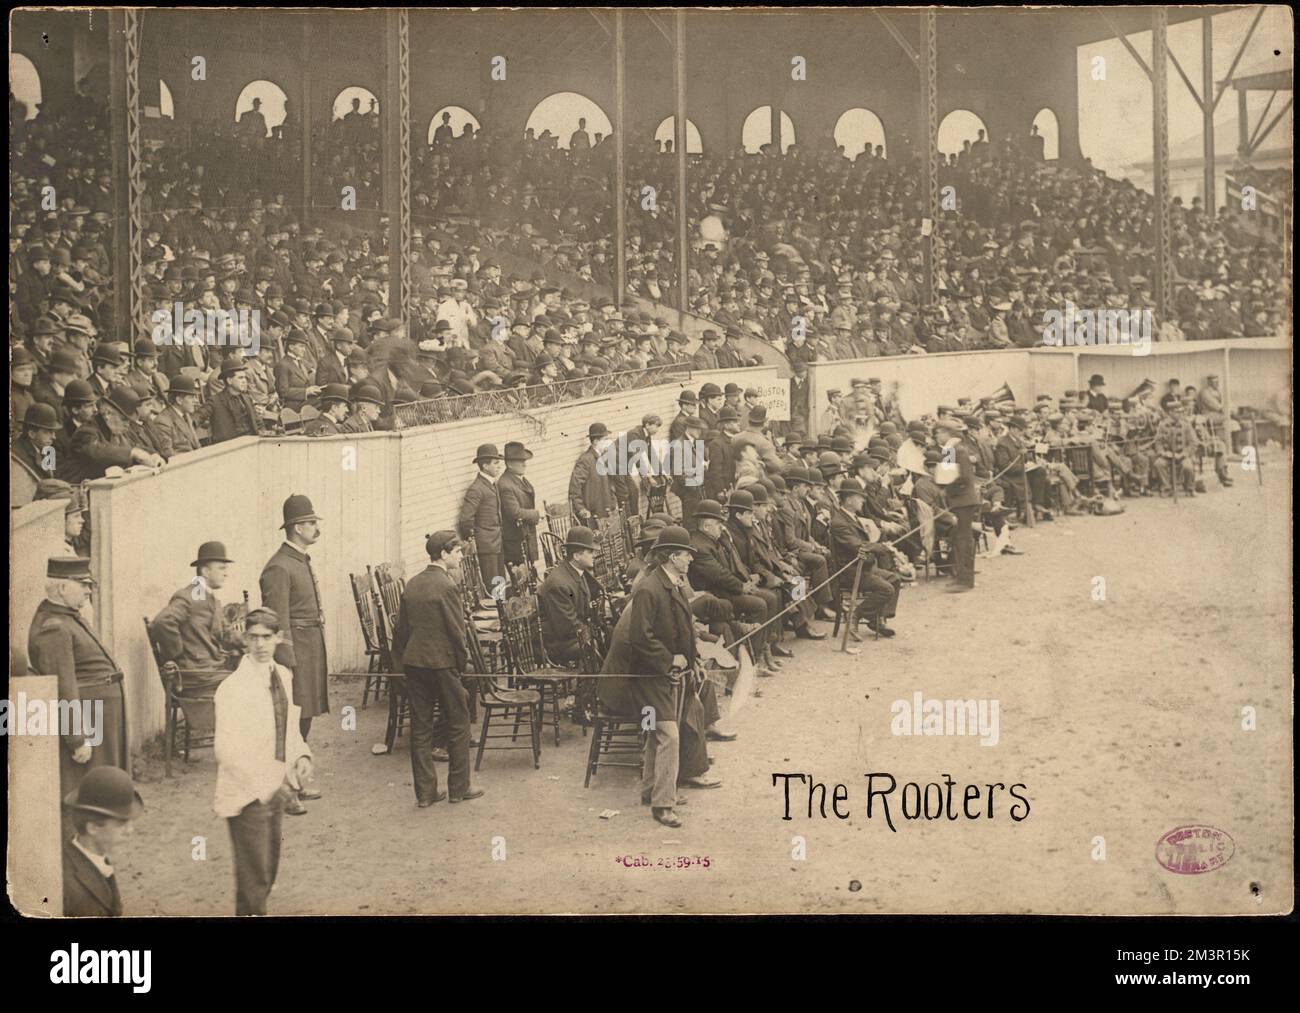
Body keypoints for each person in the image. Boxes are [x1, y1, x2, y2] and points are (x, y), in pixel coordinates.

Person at [214, 608, 312, 915]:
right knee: (253, 880)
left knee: (267, 872)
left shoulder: (282, 675)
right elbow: (226, 751)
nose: (260, 644)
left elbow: (288, 727)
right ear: (244, 640)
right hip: (247, 795)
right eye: (253, 637)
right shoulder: (232, 688)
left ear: (279, 638)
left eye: (267, 637)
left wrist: (302, 755)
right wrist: (265, 786)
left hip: (275, 790)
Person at [600, 526, 699, 829]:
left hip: (663, 673)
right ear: (672, 557)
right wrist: (670, 660)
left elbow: (683, 630)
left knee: (658, 733)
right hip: (644, 676)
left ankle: (652, 791)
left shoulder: (673, 584)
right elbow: (641, 639)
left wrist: (691, 661)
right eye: (686, 555)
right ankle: (663, 805)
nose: (690, 560)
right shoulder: (648, 589)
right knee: (669, 734)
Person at [391, 531, 484, 806]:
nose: (461, 556)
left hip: (415, 663)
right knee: (458, 723)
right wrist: (461, 664)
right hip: (443, 664)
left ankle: (425, 794)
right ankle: (458, 788)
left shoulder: (412, 584)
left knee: (421, 729)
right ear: (443, 554)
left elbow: (402, 631)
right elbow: (457, 632)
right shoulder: (447, 586)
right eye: (457, 552)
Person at [28, 557, 129, 800]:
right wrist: (76, 738)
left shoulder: (68, 617)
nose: (88, 589)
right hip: (89, 719)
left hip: (100, 717)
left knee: (106, 789)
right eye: (82, 583)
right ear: (62, 588)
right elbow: (63, 685)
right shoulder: (55, 626)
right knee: (91, 795)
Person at [259, 495, 328, 813]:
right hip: (295, 652)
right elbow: (276, 621)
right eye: (312, 523)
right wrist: (285, 662)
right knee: (290, 720)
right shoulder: (279, 566)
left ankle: (295, 782)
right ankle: (284, 789)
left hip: (309, 645)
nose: (316, 528)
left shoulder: (298, 560)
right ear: (297, 528)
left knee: (305, 716)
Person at [150, 541, 239, 733]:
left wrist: (251, 640)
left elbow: (226, 633)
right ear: (205, 571)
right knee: (249, 685)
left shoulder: (209, 597)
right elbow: (163, 622)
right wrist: (177, 654)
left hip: (209, 670)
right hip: (197, 676)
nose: (226, 573)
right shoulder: (190, 596)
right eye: (221, 568)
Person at [62, 766, 144, 917]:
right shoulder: (69, 890)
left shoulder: (95, 856)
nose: (130, 830)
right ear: (93, 828)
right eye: (121, 824)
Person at [538, 525, 599, 665]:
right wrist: (594, 632)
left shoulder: (576, 571)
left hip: (573, 634)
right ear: (577, 555)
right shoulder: (559, 584)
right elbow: (567, 627)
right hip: (559, 644)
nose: (594, 555)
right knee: (602, 643)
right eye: (590, 551)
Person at [935, 417, 980, 592]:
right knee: (961, 539)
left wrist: (946, 491)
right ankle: (962, 576)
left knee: (963, 540)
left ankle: (965, 580)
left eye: (939, 432)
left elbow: (959, 477)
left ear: (948, 433)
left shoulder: (952, 449)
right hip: (961, 499)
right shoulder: (953, 448)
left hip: (962, 500)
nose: (937, 436)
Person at [457, 443, 506, 586]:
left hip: (497, 543)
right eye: (496, 463)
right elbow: (466, 520)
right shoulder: (476, 489)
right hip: (486, 547)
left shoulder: (492, 484)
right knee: (493, 586)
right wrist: (475, 542)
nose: (499, 466)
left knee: (500, 584)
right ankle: (496, 609)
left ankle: (500, 608)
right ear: (485, 466)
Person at [568, 422, 628, 526]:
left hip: (607, 512)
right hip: (594, 515)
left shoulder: (605, 457)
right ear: (596, 441)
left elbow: (614, 481)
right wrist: (581, 509)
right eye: (605, 440)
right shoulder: (585, 460)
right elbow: (574, 488)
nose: (608, 442)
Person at [497, 441, 541, 577]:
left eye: (525, 460)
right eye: (520, 461)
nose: (524, 464)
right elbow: (514, 513)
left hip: (525, 535)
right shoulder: (505, 484)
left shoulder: (519, 479)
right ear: (509, 464)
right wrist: (536, 514)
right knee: (521, 578)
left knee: (530, 575)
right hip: (516, 540)